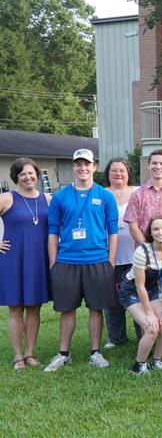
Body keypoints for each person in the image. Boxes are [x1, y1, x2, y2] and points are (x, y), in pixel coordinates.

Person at [45, 148, 119, 371]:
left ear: (94, 167)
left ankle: (95, 352)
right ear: (73, 167)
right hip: (67, 261)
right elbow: (53, 231)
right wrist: (53, 262)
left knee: (96, 308)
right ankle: (63, 353)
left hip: (97, 260)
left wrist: (111, 261)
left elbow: (113, 232)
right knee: (67, 309)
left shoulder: (105, 196)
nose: (82, 168)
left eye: (87, 164)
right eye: (78, 164)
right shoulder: (60, 196)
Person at [0, 158, 51, 370]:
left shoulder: (49, 199)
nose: (27, 177)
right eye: (22, 174)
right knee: (15, 308)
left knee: (34, 308)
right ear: (16, 177)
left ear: (37, 175)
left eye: (30, 173)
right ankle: (18, 356)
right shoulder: (6, 198)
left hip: (39, 259)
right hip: (13, 259)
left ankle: (30, 353)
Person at [119, 216, 162, 374]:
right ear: (150, 233)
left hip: (152, 289)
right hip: (131, 290)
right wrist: (149, 313)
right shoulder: (142, 252)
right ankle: (138, 366)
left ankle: (157, 361)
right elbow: (139, 286)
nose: (160, 232)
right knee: (152, 328)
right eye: (156, 229)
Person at [102, 157, 139, 349]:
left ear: (128, 173)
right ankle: (116, 338)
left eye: (122, 170)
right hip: (109, 255)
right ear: (107, 174)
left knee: (138, 295)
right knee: (112, 299)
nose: (118, 174)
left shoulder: (138, 192)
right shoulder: (100, 193)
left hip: (135, 255)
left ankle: (143, 334)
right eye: (114, 170)